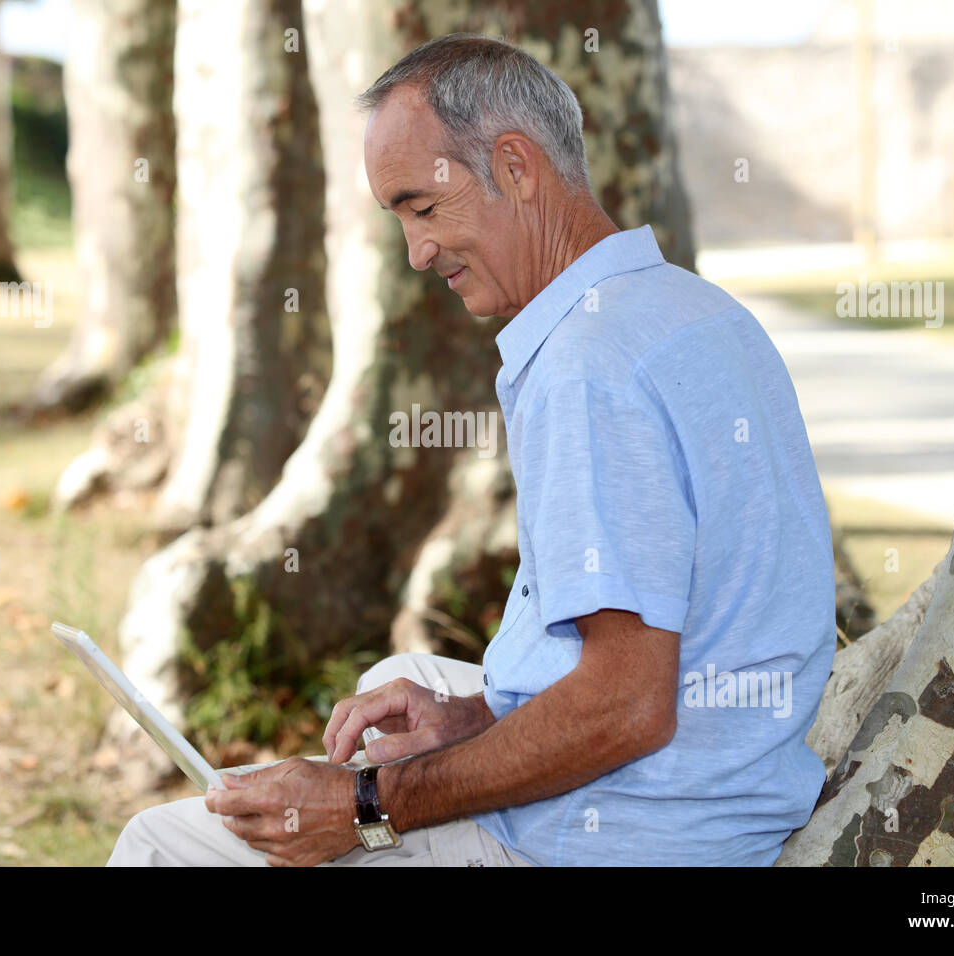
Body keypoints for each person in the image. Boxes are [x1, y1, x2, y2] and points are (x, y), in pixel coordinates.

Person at [107, 32, 835, 868]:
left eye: (423, 206)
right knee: (404, 681)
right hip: (729, 788)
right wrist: (475, 720)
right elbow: (680, 642)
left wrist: (366, 806)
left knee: (160, 843)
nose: (417, 252)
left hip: (619, 836)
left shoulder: (584, 370)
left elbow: (628, 707)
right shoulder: (695, 312)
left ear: (517, 168)